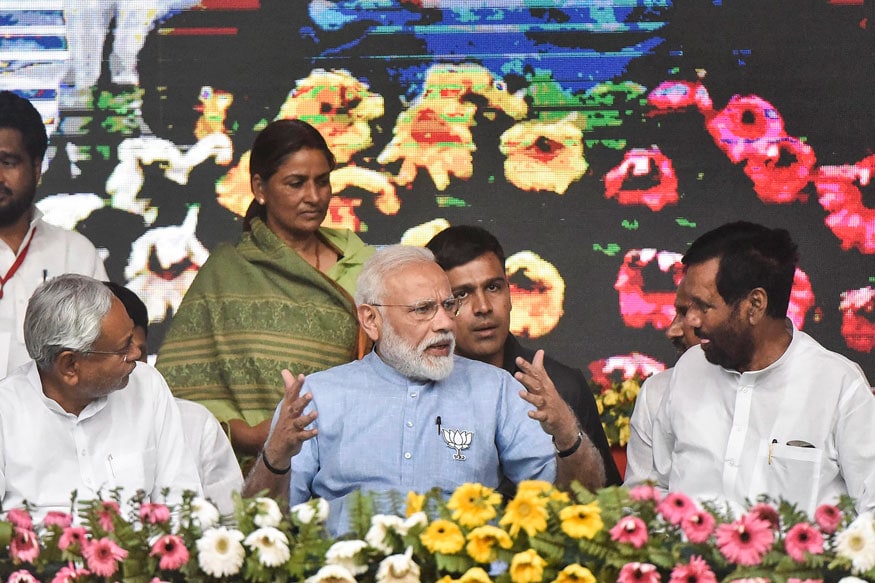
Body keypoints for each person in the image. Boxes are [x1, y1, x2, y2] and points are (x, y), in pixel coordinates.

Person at [243, 245, 606, 534]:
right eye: (423, 310)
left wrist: (566, 434)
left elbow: (573, 505)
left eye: (449, 306)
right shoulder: (319, 396)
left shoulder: (495, 389)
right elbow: (260, 524)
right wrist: (275, 456)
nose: (446, 323)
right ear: (371, 319)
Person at [156, 119, 374, 459]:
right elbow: (178, 387)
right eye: (296, 183)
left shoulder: (364, 265)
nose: (314, 197)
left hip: (349, 458)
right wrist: (244, 435)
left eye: (322, 182)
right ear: (259, 187)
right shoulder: (227, 272)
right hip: (246, 469)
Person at [652, 221, 875, 516]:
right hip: (684, 562)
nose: (689, 321)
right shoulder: (689, 369)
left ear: (754, 305)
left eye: (703, 306)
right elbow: (652, 493)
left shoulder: (839, 386)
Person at [425, 225, 620, 486]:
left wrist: (565, 427)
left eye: (493, 288)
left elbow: (605, 502)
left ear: (509, 294)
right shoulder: (420, 387)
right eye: (462, 294)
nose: (483, 307)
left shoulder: (562, 386)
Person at [0, 274, 201, 519]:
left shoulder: (146, 385)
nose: (137, 353)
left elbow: (182, 500)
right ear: (70, 366)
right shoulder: (5, 412)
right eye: (123, 347)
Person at [105, 281, 243, 515]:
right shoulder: (62, 423)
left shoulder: (195, 423)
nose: (134, 365)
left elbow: (231, 521)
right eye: (121, 353)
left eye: (139, 352)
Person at [0, 91, 107, 379]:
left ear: (37, 168)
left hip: (57, 422)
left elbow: (102, 353)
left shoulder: (75, 253)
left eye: (7, 162)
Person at [624, 285, 699, 486]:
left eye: (689, 313)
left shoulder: (794, 391)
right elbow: (640, 502)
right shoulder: (658, 391)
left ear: (752, 308)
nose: (672, 331)